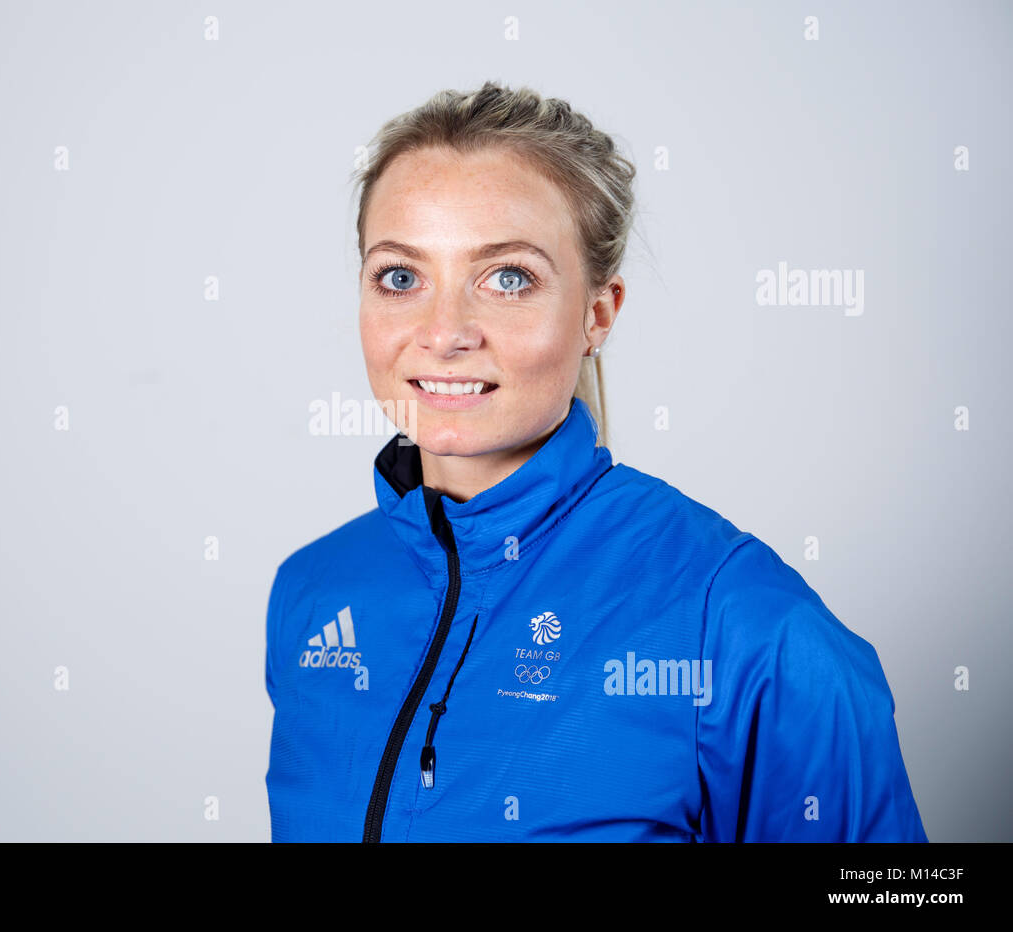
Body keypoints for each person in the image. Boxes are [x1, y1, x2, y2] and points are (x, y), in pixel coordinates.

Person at [264, 81, 928, 843]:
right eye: (401, 277)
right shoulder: (313, 592)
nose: (444, 332)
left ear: (598, 313)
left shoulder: (738, 620)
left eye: (508, 277)